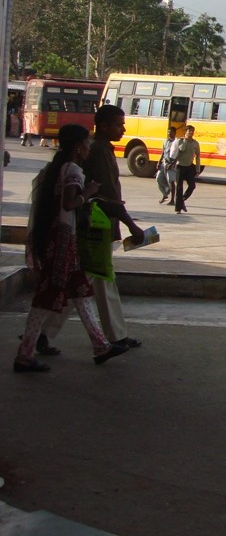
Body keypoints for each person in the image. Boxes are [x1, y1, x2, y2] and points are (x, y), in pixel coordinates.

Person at [14, 124, 127, 372]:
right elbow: (69, 203)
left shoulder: (55, 168)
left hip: (57, 239)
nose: (89, 147)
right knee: (46, 299)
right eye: (86, 143)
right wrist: (88, 193)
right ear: (77, 146)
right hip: (63, 242)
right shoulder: (73, 169)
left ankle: (100, 345)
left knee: (80, 293)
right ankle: (25, 355)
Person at [42, 103, 144, 351]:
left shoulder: (102, 149)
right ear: (105, 126)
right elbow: (106, 196)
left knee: (98, 280)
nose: (123, 129)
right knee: (85, 281)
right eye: (119, 125)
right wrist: (131, 225)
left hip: (100, 225)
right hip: (96, 227)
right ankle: (41, 332)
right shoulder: (97, 151)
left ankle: (114, 335)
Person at [174, 125, 200, 214]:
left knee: (192, 185)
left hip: (189, 166)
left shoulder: (195, 143)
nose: (191, 133)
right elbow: (182, 149)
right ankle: (178, 208)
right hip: (180, 166)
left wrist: (197, 169)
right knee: (179, 187)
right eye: (189, 131)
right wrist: (185, 140)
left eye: (192, 131)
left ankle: (182, 201)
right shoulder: (180, 141)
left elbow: (198, 156)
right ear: (185, 132)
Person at [156, 126, 178, 205]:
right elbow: (163, 152)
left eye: (171, 132)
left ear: (174, 133)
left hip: (171, 164)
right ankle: (165, 194)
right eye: (168, 132)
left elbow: (178, 155)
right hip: (164, 163)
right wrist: (159, 162)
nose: (169, 133)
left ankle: (172, 200)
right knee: (158, 179)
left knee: (171, 181)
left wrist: (172, 164)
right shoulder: (165, 141)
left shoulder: (176, 142)